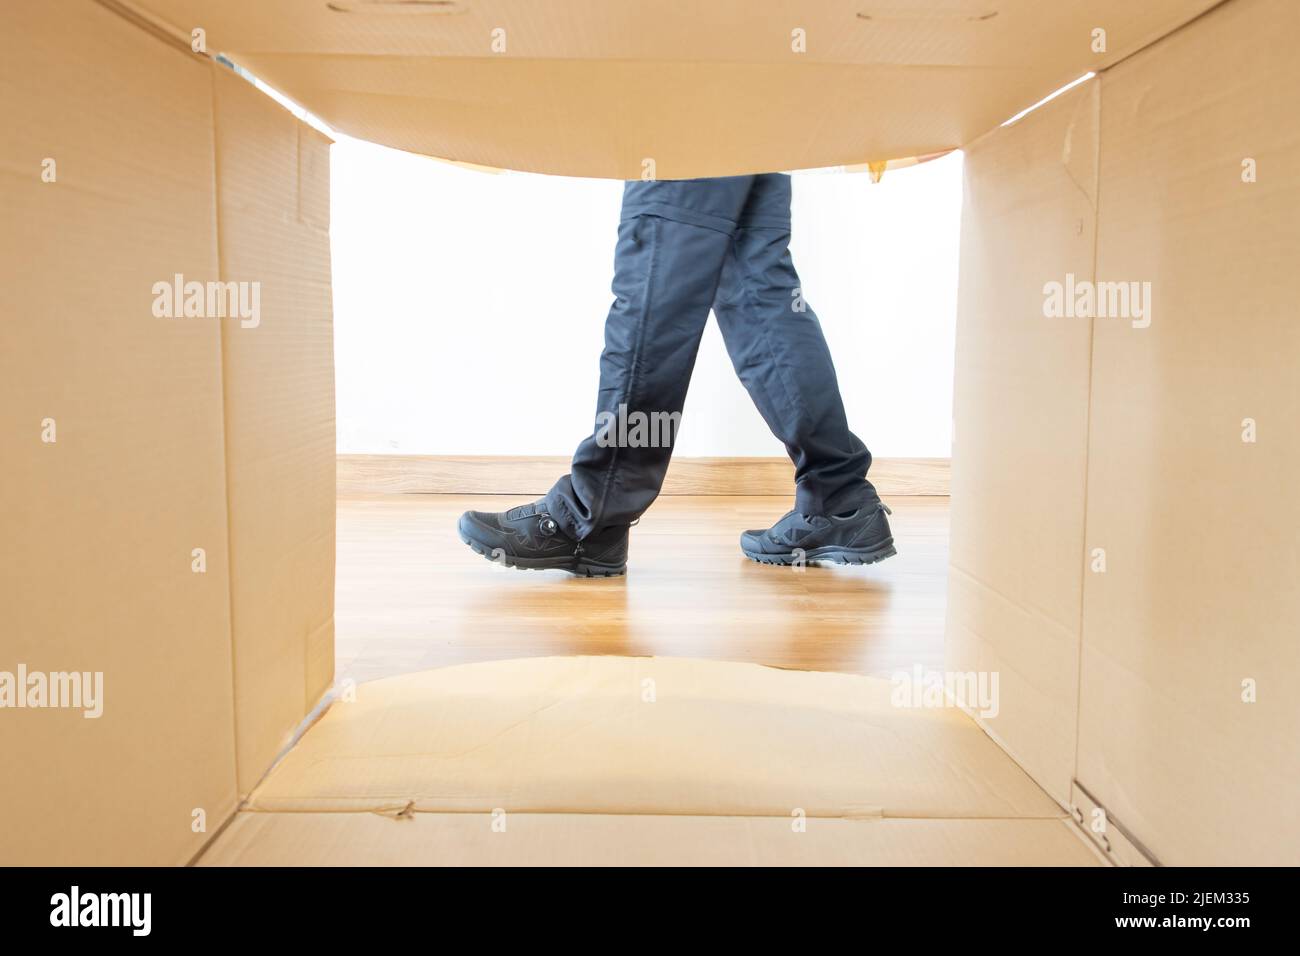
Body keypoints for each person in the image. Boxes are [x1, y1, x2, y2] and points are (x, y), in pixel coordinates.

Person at [457, 174, 894, 577]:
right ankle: (839, 498)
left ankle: (589, 517)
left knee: (656, 276)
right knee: (757, 288)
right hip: (763, 102)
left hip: (691, 99)